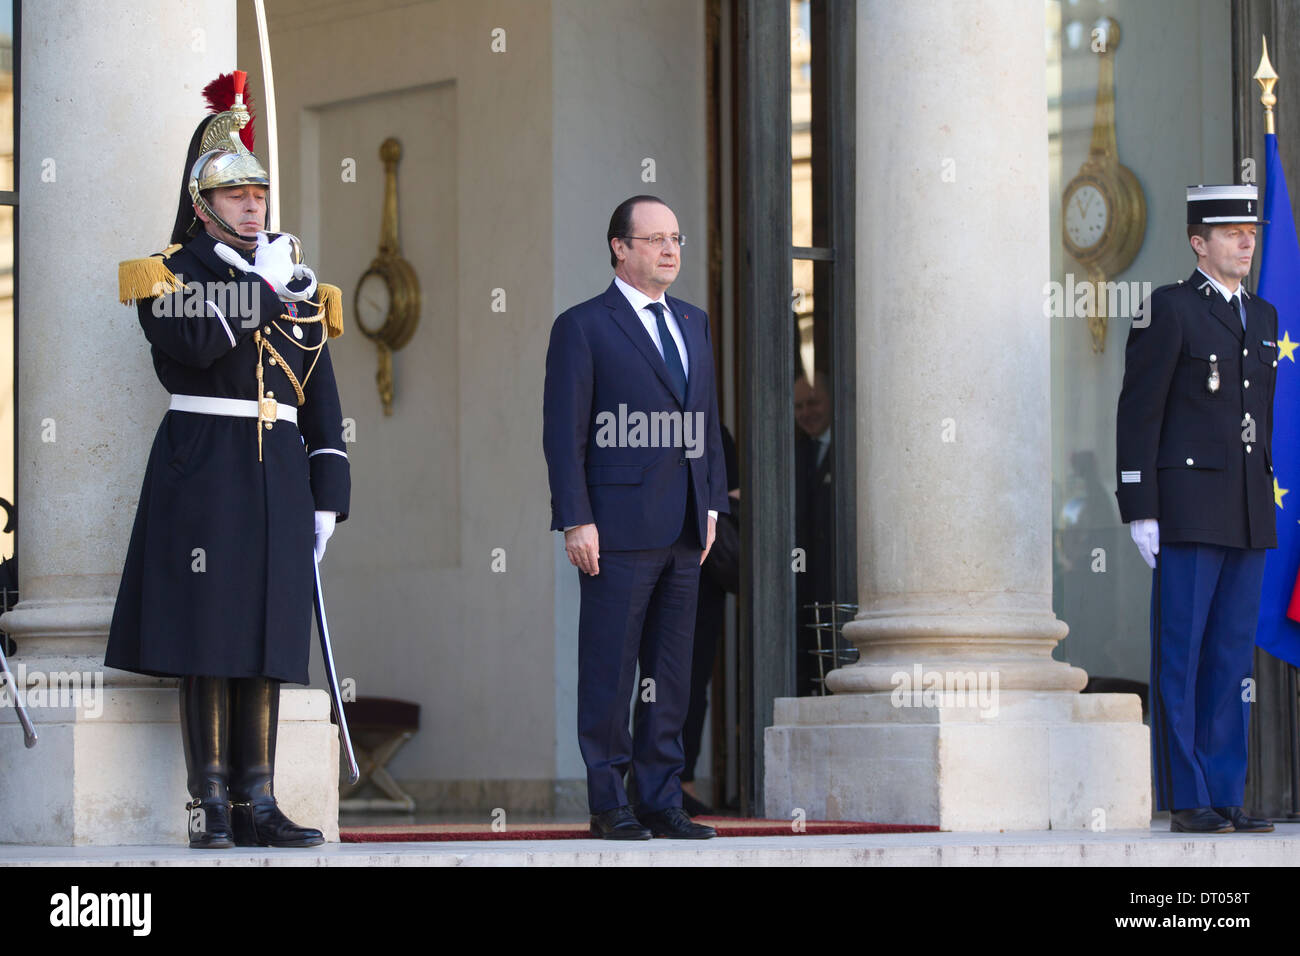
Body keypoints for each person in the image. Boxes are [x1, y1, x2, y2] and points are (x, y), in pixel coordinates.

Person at [108, 72, 351, 849]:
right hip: (205, 461)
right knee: (209, 634)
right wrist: (261, 293)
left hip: (277, 468)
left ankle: (260, 801)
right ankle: (208, 803)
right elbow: (190, 344)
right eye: (238, 195)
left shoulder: (296, 278)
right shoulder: (169, 272)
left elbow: (319, 393)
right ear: (202, 204)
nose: (254, 206)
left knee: (268, 636)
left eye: (260, 195)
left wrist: (327, 487)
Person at [543, 195, 728, 839]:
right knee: (610, 668)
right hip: (614, 526)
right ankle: (609, 800)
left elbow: (702, 418)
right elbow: (563, 434)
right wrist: (575, 518)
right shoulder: (583, 326)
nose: (670, 249)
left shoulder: (695, 322)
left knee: (670, 674)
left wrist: (709, 501)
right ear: (619, 247)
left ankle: (659, 796)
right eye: (654, 239)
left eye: (675, 237)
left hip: (683, 525)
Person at [1115, 183, 1276, 834]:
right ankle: (1187, 796)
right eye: (1231, 231)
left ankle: (1226, 791)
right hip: (1184, 507)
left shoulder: (1261, 317)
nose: (1246, 240)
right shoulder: (1170, 310)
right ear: (1197, 242)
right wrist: (1138, 503)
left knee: (1232, 657)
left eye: (1251, 230)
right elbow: (1139, 411)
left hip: (1243, 506)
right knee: (1181, 654)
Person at [794, 370, 836, 695]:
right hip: (803, 587)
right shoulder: (793, 453)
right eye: (799, 407)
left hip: (839, 583)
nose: (807, 413)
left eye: (813, 403)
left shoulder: (851, 446)